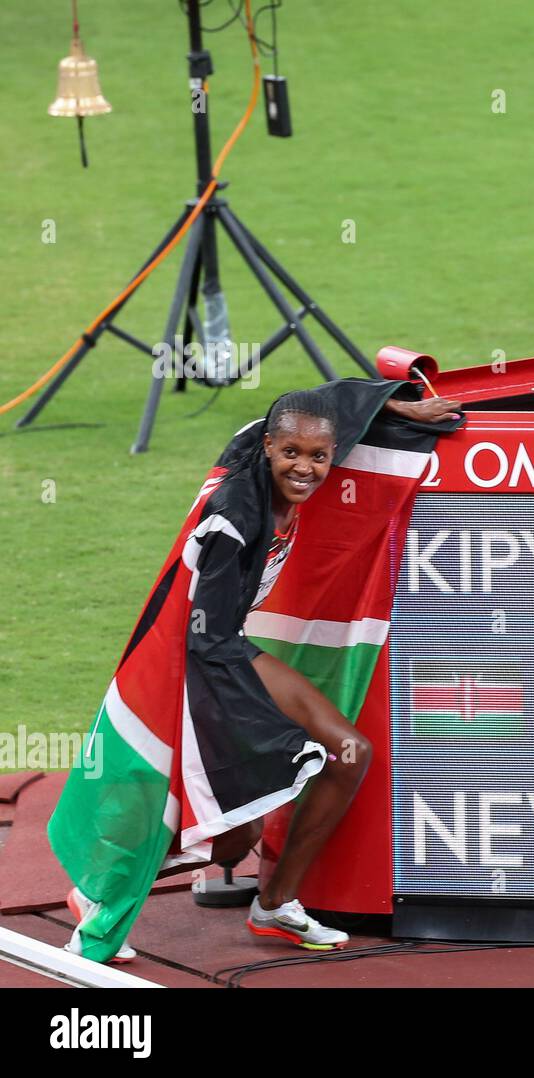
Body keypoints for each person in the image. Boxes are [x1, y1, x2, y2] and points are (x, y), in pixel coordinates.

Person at [51, 379, 461, 963]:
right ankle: (104, 892)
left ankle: (275, 905)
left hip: (227, 647)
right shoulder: (235, 521)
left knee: (348, 753)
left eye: (319, 456)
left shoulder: (259, 441)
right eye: (291, 453)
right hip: (189, 667)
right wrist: (264, 741)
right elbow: (207, 642)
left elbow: (323, 402)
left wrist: (390, 402)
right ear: (268, 448)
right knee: (229, 832)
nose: (306, 469)